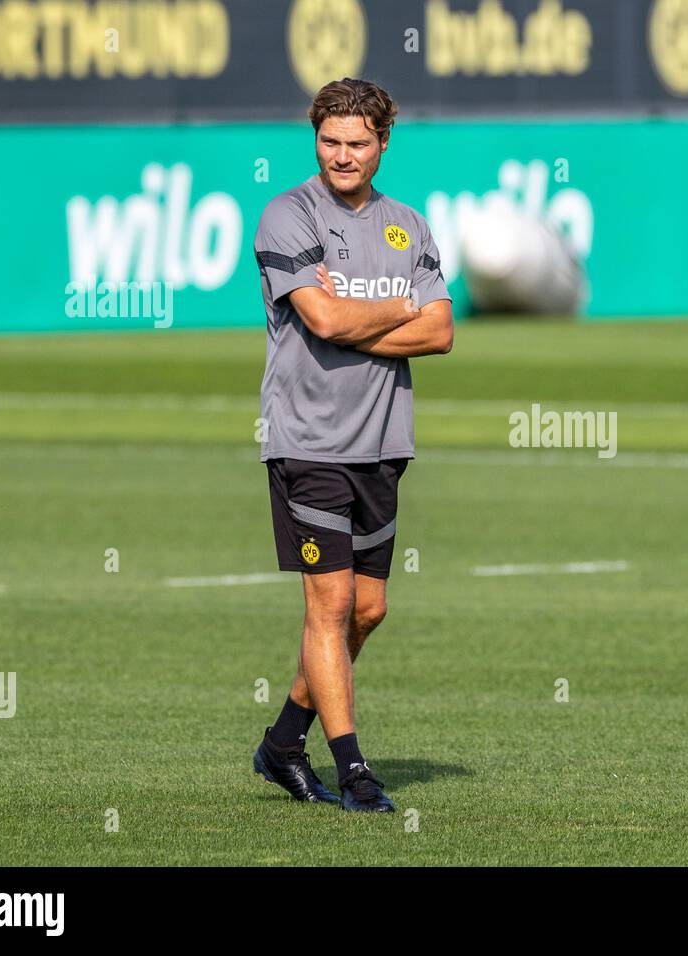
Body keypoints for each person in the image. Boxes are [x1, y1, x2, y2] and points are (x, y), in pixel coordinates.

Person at [249, 77, 453, 813]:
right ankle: (354, 769)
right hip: (307, 441)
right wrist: (397, 305)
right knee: (329, 605)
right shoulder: (287, 214)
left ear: (382, 144)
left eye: (357, 143)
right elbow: (324, 323)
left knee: (369, 611)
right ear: (316, 140)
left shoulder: (407, 225)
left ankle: (280, 744)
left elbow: (442, 331)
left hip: (383, 441)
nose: (342, 155)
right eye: (330, 141)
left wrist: (364, 307)